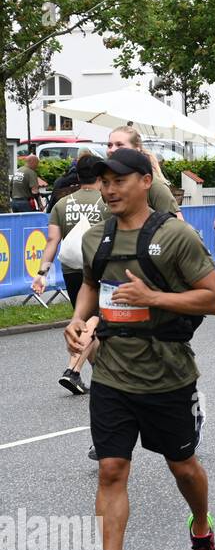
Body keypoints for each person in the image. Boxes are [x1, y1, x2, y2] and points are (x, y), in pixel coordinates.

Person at [70, 148, 215, 550]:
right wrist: (78, 320)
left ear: (143, 182)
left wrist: (153, 297)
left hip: (166, 374)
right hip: (113, 371)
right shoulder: (97, 237)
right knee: (112, 468)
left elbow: (213, 299)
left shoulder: (175, 235)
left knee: (183, 468)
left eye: (118, 180)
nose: (109, 189)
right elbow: (92, 286)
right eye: (103, 182)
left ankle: (201, 525)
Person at [33, 153, 107, 395]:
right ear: (100, 175)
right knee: (94, 321)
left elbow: (53, 240)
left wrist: (42, 272)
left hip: (71, 269)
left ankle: (102, 374)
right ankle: (72, 371)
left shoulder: (63, 204)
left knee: (83, 320)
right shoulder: (109, 201)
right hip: (97, 269)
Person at [105, 127, 177, 215]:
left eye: (119, 145)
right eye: (109, 145)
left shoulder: (153, 184)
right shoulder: (106, 182)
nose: (111, 150)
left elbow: (176, 223)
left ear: (137, 149)